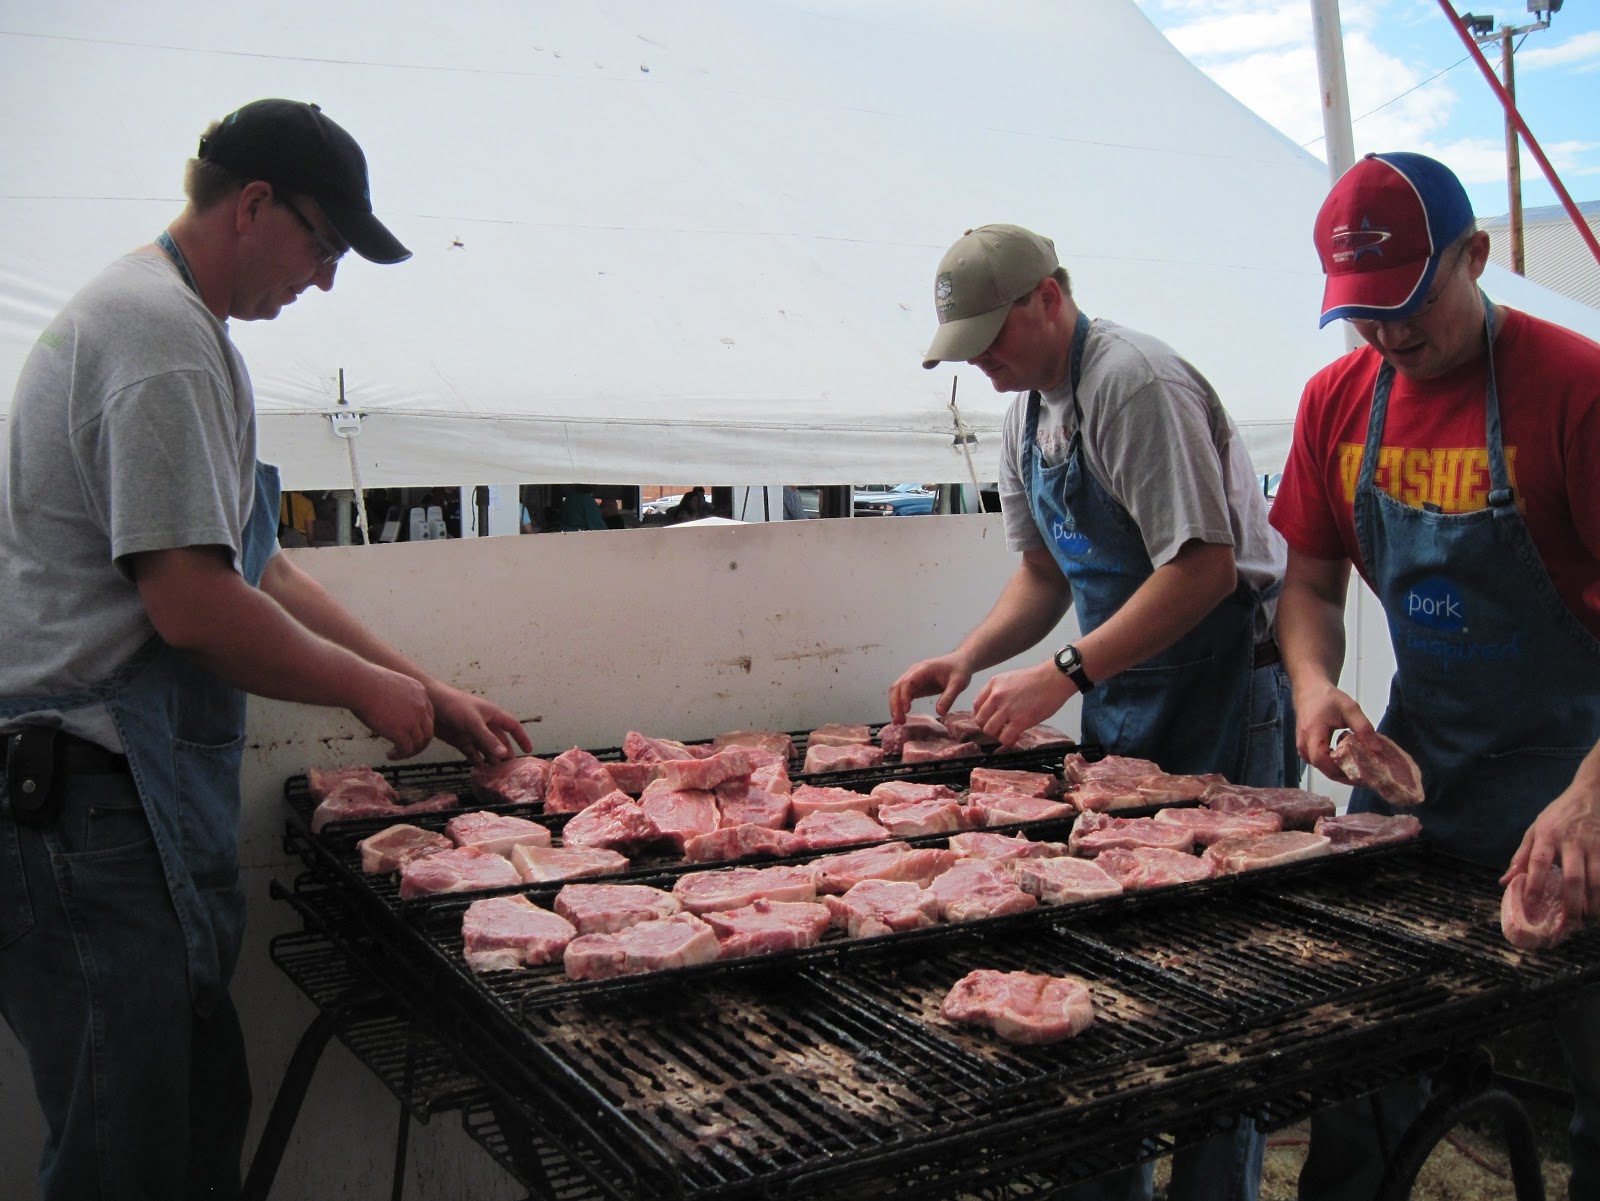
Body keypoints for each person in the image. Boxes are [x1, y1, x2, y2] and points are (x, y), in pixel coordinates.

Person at [0, 98, 532, 1201]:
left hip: (116, 804)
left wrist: (423, 688)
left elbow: (261, 567)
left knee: (188, 1126)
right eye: (325, 246)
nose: (327, 281)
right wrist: (365, 690)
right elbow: (193, 604)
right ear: (254, 206)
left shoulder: (178, 330)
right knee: (128, 1160)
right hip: (89, 806)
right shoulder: (157, 338)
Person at [891, 224, 1292, 1201]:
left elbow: (1200, 568)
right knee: (1107, 958)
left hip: (1220, 696)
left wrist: (1063, 672)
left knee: (1213, 982)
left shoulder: (1131, 382)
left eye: (994, 337)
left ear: (1050, 297)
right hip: (1123, 705)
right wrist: (974, 653)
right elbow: (1042, 572)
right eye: (970, 346)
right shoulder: (1026, 412)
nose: (984, 363)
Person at [1271, 151, 1600, 1200]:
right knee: (1359, 1064)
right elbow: (1309, 588)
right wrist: (1312, 684)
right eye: (1362, 313)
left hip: (1579, 772)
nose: (1388, 335)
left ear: (1474, 254)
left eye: (1409, 303)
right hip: (1422, 763)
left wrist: (1591, 799)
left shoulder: (1578, 391)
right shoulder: (1336, 400)